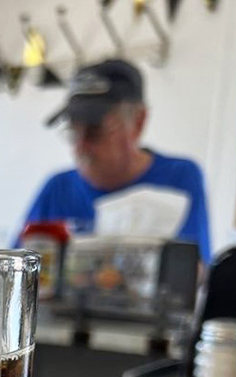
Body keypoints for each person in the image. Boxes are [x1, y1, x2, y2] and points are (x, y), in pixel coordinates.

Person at [14, 59, 212, 263]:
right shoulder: (57, 189)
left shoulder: (178, 179)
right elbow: (17, 270)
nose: (80, 146)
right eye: (73, 131)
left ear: (138, 121)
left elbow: (195, 271)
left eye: (94, 131)